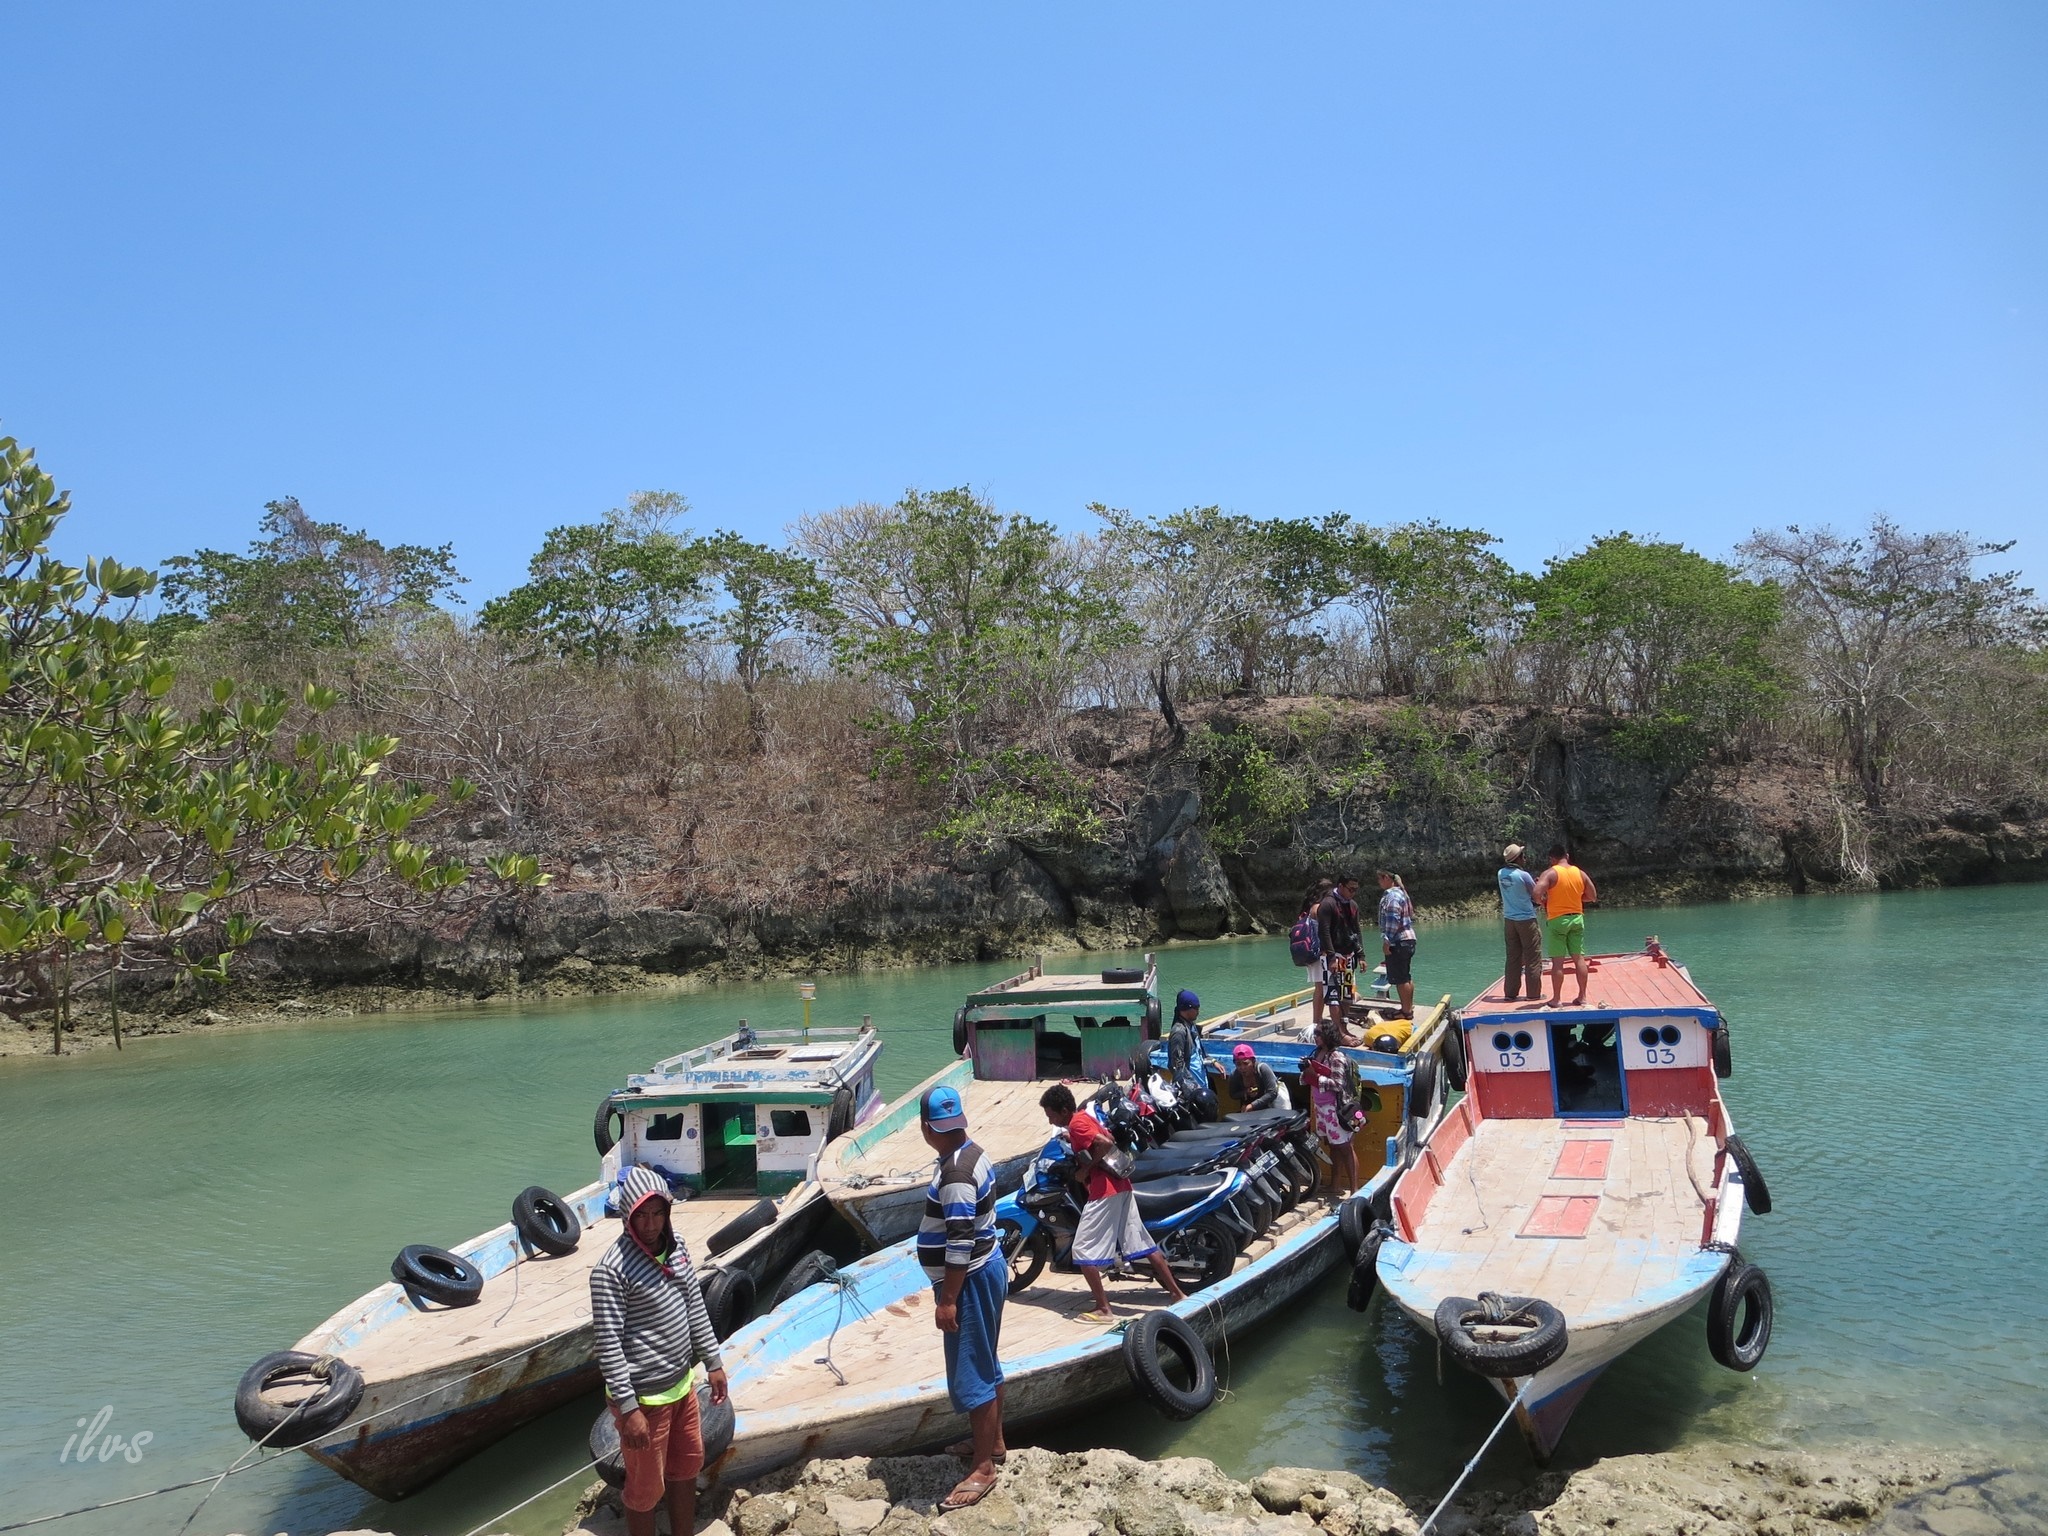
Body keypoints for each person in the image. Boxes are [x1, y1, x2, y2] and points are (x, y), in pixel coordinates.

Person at [590, 1164, 730, 1536]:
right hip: (644, 1399)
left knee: (686, 1469)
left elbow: (694, 1307)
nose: (651, 1225)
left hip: (682, 1387)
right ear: (627, 1216)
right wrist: (629, 1407)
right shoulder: (611, 1270)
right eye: (642, 1216)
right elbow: (609, 1345)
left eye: (658, 1214)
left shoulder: (678, 1247)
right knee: (645, 1490)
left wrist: (713, 1361)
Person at [915, 1085, 1007, 1510]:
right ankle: (994, 1442)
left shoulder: (954, 1175)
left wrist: (948, 1298)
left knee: (971, 1371)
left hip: (968, 1279)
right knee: (987, 1360)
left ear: (926, 1127)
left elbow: (959, 1240)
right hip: (987, 1267)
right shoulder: (974, 1152)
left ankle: (983, 1468)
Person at [1039, 1083, 1187, 1321]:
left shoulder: (1077, 1123)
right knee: (1141, 1241)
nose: (1050, 1121)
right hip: (1122, 1186)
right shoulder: (1081, 1119)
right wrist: (1071, 1136)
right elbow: (1105, 1136)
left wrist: (1085, 1170)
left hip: (1104, 1190)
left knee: (1082, 1249)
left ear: (1064, 1110)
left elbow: (1105, 1143)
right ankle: (1177, 1294)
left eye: (1051, 1115)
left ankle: (1104, 1309)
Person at [1532, 844, 1600, 1007]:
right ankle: (1582, 997)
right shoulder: (1580, 873)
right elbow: (1592, 896)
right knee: (1579, 958)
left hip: (1558, 920)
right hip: (1577, 919)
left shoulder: (1550, 873)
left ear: (1552, 859)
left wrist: (1545, 902)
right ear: (1567, 856)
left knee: (1558, 962)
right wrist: (1575, 898)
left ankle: (1557, 999)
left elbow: (1535, 893)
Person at [1300, 1020, 1360, 1196]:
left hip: (1336, 1109)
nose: (1316, 1036)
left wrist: (1315, 1077)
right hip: (1321, 1107)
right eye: (1316, 1033)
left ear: (1327, 1035)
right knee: (1333, 1146)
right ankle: (1335, 1185)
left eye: (1319, 1033)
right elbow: (1308, 1078)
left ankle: (1354, 1189)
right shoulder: (1317, 1053)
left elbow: (1338, 1084)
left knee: (1346, 1147)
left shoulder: (1336, 1057)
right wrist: (1306, 1073)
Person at [1496, 844, 1543, 1003]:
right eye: (1523, 855)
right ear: (1518, 858)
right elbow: (1536, 895)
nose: (1525, 858)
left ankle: (1510, 993)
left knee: (1513, 957)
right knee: (1533, 956)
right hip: (1526, 920)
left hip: (1509, 920)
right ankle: (1533, 994)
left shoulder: (1500, 873)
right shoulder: (1523, 875)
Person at [1375, 870, 1418, 1020]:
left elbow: (1393, 918)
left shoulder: (1392, 895)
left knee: (1400, 978)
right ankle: (1407, 1007)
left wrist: (1387, 941)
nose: (1378, 882)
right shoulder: (1402, 893)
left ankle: (1406, 1012)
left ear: (1386, 878)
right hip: (1408, 938)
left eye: (1379, 879)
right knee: (1405, 976)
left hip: (1398, 940)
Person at [1295, 880, 1334, 1025]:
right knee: (1324, 988)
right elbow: (1326, 930)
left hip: (1313, 952)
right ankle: (1318, 1021)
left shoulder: (1309, 907)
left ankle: (1317, 1020)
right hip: (1321, 953)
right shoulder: (1319, 908)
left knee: (1319, 987)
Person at [1165, 988, 1205, 1082]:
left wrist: (1212, 1061)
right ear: (1188, 1009)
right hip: (1190, 1086)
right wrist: (1190, 1085)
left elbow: (1199, 1051)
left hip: (1200, 1081)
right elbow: (1177, 1065)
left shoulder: (1191, 1026)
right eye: (1196, 1008)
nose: (1198, 1012)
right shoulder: (1179, 1032)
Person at [1229, 1042, 1282, 1110]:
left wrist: (1252, 1105)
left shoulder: (1263, 1069)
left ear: (1253, 1061)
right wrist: (1246, 1093)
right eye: (1238, 1064)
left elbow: (1272, 1092)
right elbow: (1233, 1094)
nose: (1242, 1068)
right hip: (1247, 1110)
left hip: (1270, 1108)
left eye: (1246, 1063)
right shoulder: (1234, 1075)